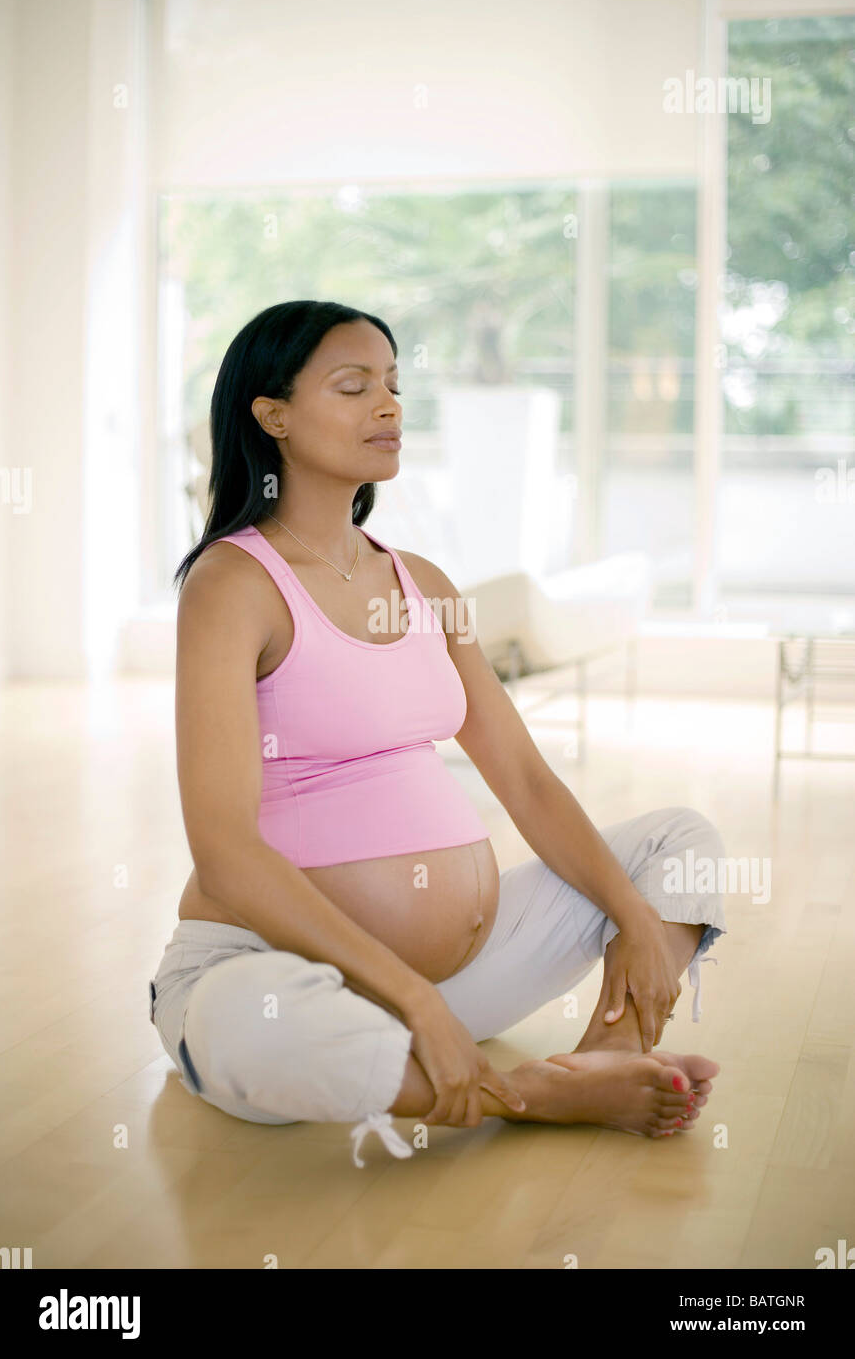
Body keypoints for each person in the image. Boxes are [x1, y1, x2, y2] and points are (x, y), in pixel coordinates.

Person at [148, 299, 726, 1168]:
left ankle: (601, 1063)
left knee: (685, 842)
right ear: (272, 416)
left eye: (393, 385)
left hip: (459, 981)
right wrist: (412, 1000)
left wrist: (635, 920)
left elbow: (525, 781)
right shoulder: (233, 585)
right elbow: (225, 851)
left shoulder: (421, 582)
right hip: (278, 973)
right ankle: (531, 1094)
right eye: (354, 387)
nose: (389, 406)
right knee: (246, 1028)